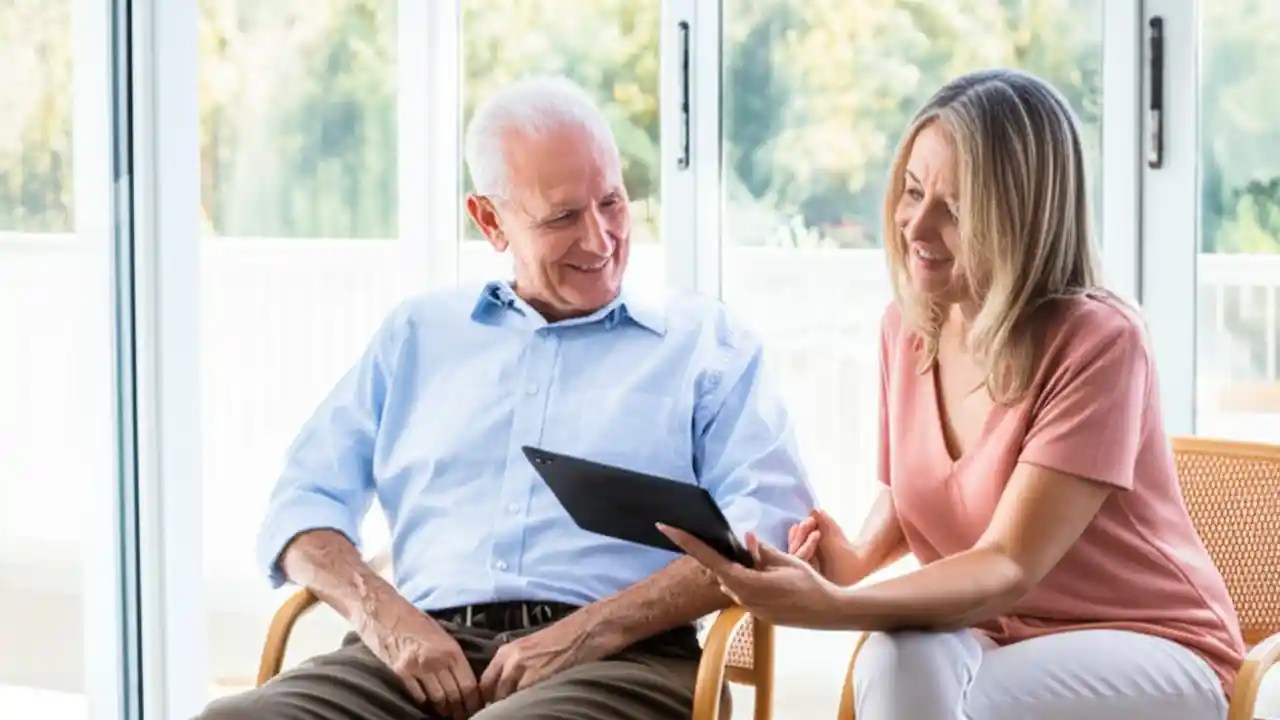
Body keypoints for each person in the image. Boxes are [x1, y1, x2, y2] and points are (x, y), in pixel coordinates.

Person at [198, 75, 815, 720]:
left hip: (620, 661)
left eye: (611, 202)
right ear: (490, 221)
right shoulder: (417, 335)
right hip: (412, 656)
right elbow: (300, 507)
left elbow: (772, 522)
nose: (601, 241)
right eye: (563, 217)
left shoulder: (706, 346)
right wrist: (385, 618)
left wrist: (591, 630)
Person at [661, 68, 1245, 720]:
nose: (916, 225)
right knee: (896, 660)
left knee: (970, 700)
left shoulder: (1101, 341)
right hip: (994, 631)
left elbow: (1006, 564)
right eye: (912, 191)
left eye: (957, 208)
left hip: (1154, 645)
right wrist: (852, 562)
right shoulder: (908, 328)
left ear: (1023, 217)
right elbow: (915, 494)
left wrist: (834, 608)